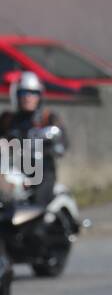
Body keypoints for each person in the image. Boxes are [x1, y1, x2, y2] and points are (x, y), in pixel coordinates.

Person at [0, 72, 67, 207]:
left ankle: (39, 222)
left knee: (39, 204)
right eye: (24, 92)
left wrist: (50, 146)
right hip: (13, 168)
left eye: (33, 93)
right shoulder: (8, 119)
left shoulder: (48, 118)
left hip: (40, 169)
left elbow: (62, 144)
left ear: (39, 95)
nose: (28, 97)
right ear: (17, 95)